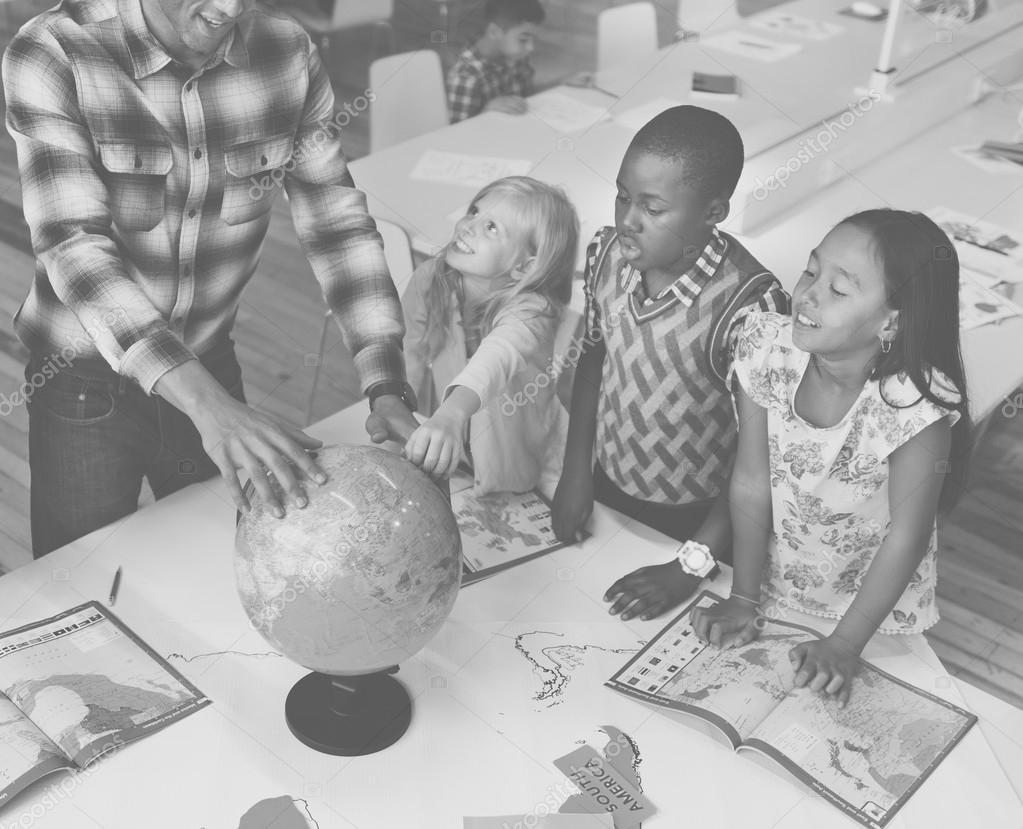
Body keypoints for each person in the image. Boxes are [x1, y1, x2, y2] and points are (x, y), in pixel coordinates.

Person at [2, 0, 418, 557]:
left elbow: (336, 222)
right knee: (83, 586)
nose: (230, 8)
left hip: (212, 363)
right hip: (83, 387)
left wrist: (386, 383)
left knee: (232, 566)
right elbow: (74, 246)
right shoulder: (55, 51)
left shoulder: (288, 52)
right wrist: (207, 406)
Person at [692, 209, 970, 706]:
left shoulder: (912, 406)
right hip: (776, 580)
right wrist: (744, 598)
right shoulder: (766, 350)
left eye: (839, 290)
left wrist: (845, 644)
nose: (809, 295)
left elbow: (905, 537)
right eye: (811, 271)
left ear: (893, 321)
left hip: (872, 610)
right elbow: (753, 482)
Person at [551, 105, 789, 620]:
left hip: (701, 524)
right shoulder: (606, 254)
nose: (628, 221)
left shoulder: (751, 308)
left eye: (653, 209)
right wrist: (577, 474)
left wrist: (690, 566)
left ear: (713, 212)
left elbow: (761, 460)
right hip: (608, 492)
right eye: (621, 196)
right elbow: (594, 357)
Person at [402, 176, 578, 494]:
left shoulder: (533, 311)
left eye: (491, 227)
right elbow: (409, 354)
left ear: (525, 267)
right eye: (474, 211)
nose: (467, 226)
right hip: (458, 456)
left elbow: (498, 355)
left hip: (529, 467)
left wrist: (452, 413)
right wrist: (401, 416)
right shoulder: (430, 279)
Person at [446, 0, 544, 123]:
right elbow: (456, 135)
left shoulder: (518, 58)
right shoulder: (466, 76)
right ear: (494, 32)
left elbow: (529, 101)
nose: (531, 48)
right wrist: (486, 112)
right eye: (523, 40)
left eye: (533, 40)